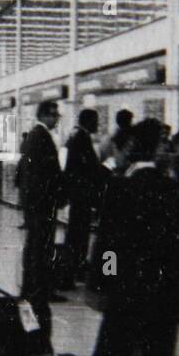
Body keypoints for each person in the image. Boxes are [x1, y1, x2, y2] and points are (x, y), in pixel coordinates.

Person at [88, 119, 179, 356]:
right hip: (165, 295)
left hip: (124, 293)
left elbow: (106, 248)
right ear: (157, 150)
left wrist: (102, 285)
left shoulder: (117, 189)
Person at [19, 100, 65, 340]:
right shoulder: (41, 137)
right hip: (42, 205)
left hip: (35, 204)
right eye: (55, 114)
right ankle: (38, 288)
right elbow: (48, 174)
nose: (57, 118)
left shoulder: (34, 136)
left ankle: (33, 287)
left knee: (36, 246)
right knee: (40, 247)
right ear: (45, 115)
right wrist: (59, 195)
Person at [62, 108, 105, 287]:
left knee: (76, 232)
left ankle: (74, 268)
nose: (97, 124)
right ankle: (74, 269)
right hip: (82, 193)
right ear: (88, 121)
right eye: (95, 120)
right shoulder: (82, 137)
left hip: (77, 193)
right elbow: (89, 166)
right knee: (79, 233)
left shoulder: (76, 135)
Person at [98, 109, 134, 173]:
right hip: (118, 174)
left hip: (122, 173)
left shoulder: (108, 139)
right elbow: (105, 159)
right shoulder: (109, 139)